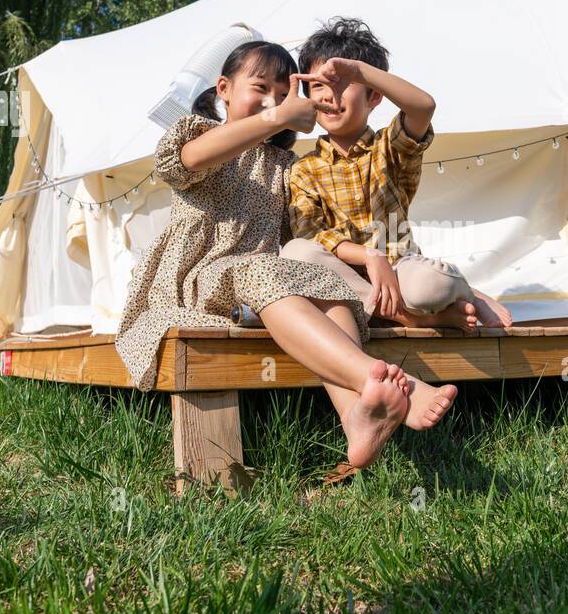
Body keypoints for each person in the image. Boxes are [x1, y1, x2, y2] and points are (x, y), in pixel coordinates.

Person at [114, 40, 457, 471]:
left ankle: (355, 418)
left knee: (325, 287)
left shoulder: (284, 165)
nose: (272, 100)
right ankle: (390, 379)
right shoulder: (200, 134)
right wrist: (275, 117)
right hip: (198, 277)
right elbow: (186, 161)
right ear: (223, 88)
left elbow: (309, 239)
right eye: (260, 88)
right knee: (266, 272)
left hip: (260, 280)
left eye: (282, 93)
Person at [281, 17, 512, 334]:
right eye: (318, 86)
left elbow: (423, 108)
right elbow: (312, 234)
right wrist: (368, 256)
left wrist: (360, 70)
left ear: (374, 96)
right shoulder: (303, 168)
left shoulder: (390, 147)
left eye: (343, 84)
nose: (329, 97)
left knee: (430, 286)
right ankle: (412, 319)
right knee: (295, 252)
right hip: (343, 278)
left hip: (399, 272)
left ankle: (466, 293)